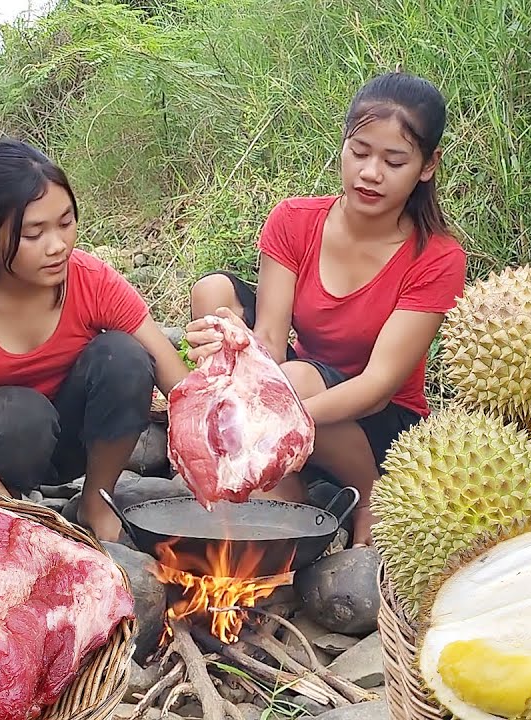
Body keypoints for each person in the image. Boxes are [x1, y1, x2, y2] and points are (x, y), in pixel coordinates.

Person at [184, 71, 467, 547]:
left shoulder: (437, 258)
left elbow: (377, 388)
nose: (370, 173)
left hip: (381, 420)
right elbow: (271, 341)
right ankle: (278, 483)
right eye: (359, 153)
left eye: (393, 161)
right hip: (303, 385)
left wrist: (281, 419)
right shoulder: (295, 221)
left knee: (293, 383)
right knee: (214, 294)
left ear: (427, 165)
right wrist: (236, 346)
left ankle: (370, 493)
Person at [0, 138, 192, 543]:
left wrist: (236, 422)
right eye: (34, 234)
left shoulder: (91, 280)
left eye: (65, 223)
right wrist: (18, 520)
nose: (58, 246)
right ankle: (14, 507)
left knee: (125, 356)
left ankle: (96, 501)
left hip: (77, 443)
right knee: (21, 413)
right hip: (5, 447)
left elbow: (176, 380)